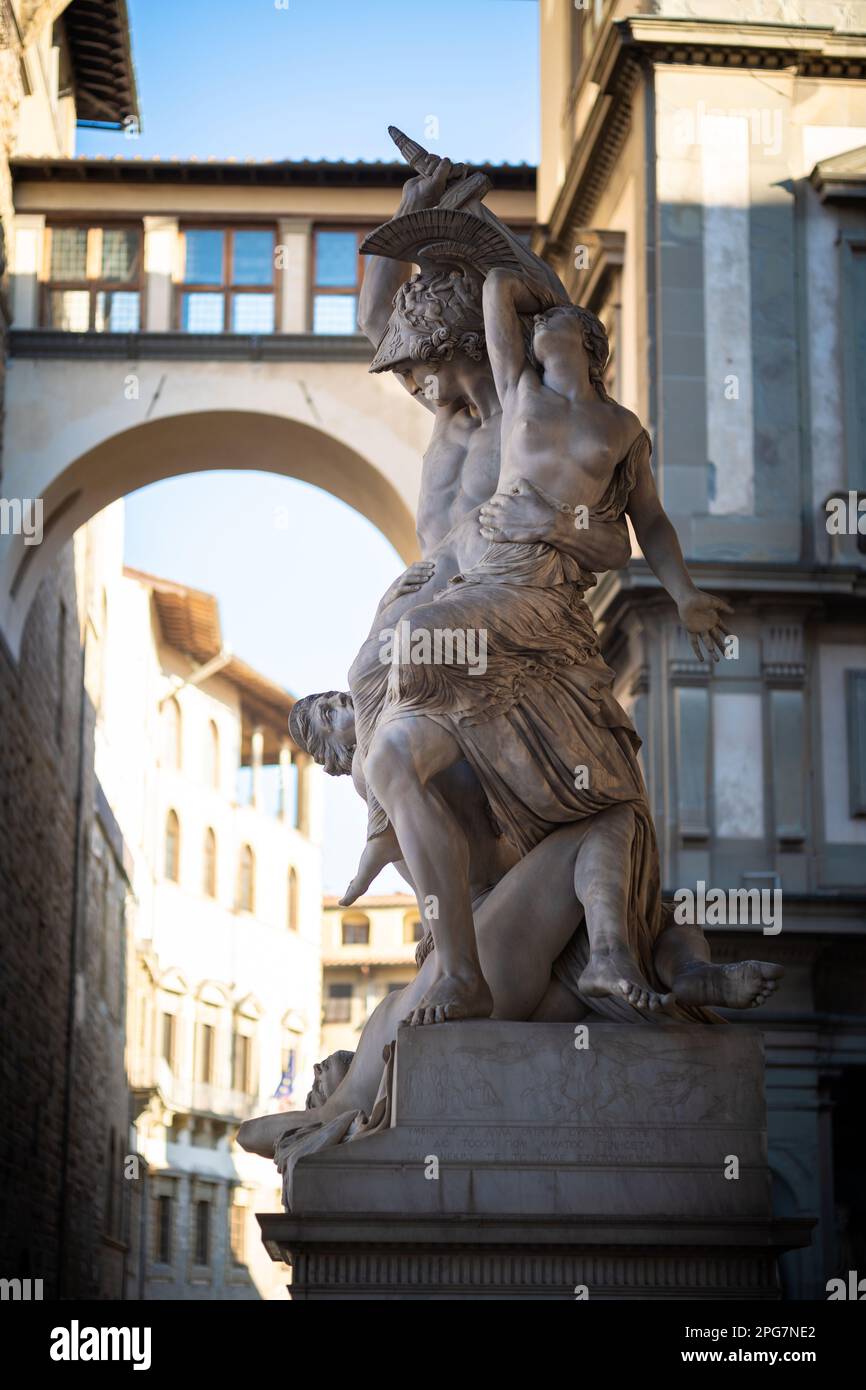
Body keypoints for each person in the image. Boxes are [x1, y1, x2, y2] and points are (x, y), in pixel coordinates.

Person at [237, 691, 782, 1159]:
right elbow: (250, 1134)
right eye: (329, 716)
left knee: (658, 920)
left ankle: (687, 971)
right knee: (608, 824)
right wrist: (319, 1120)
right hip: (487, 956)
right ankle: (611, 958)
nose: (322, 1068)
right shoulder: (377, 772)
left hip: (509, 974)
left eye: (335, 699)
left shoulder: (384, 1022)